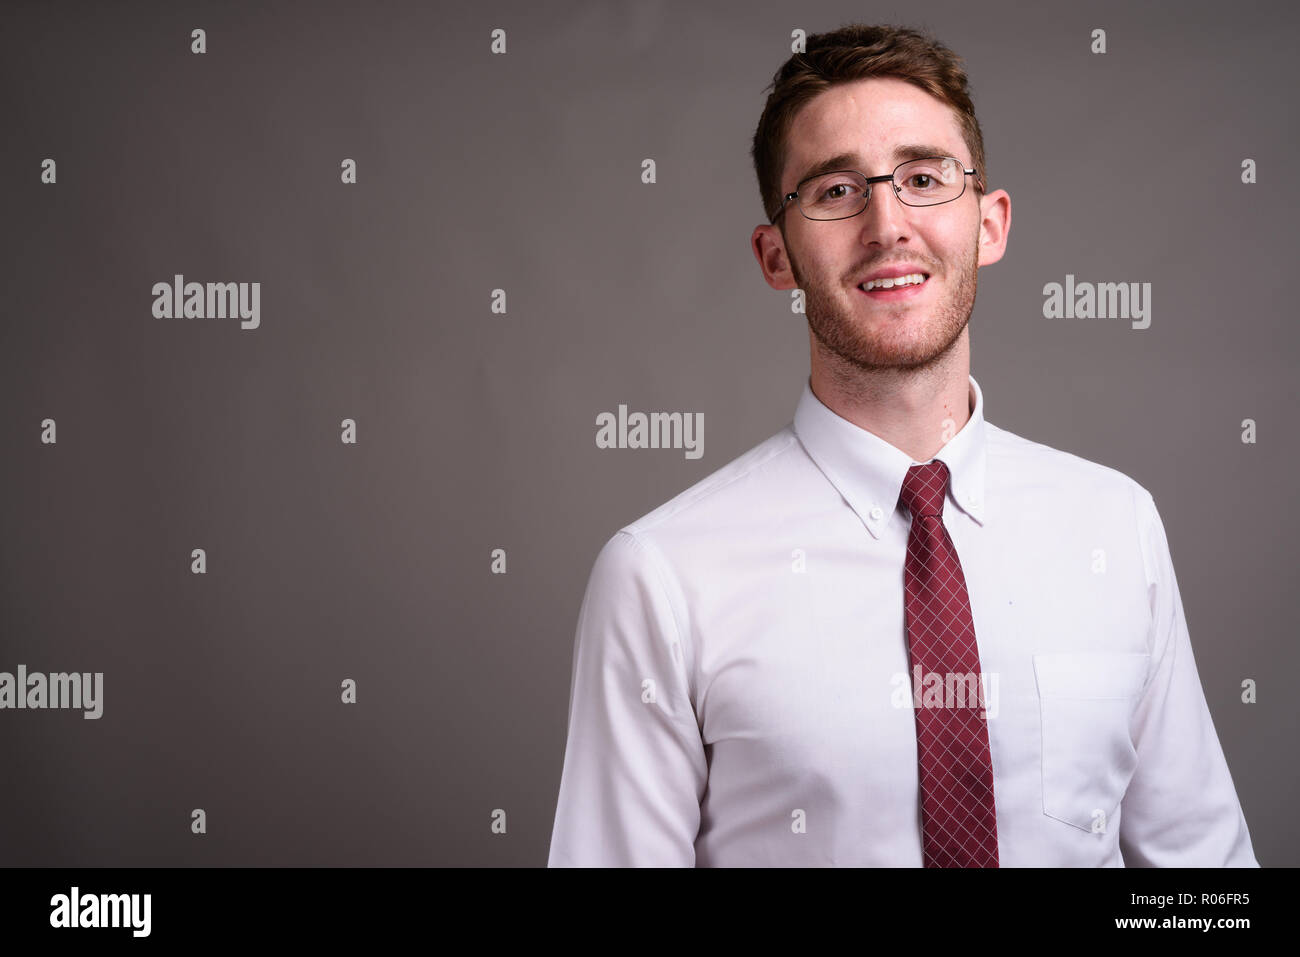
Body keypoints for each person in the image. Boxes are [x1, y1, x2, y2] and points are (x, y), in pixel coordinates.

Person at [547, 23, 1258, 867]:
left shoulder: (1117, 527)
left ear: (989, 225)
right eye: (836, 191)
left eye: (924, 177)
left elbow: (1205, 887)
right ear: (777, 255)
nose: (888, 224)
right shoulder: (660, 576)